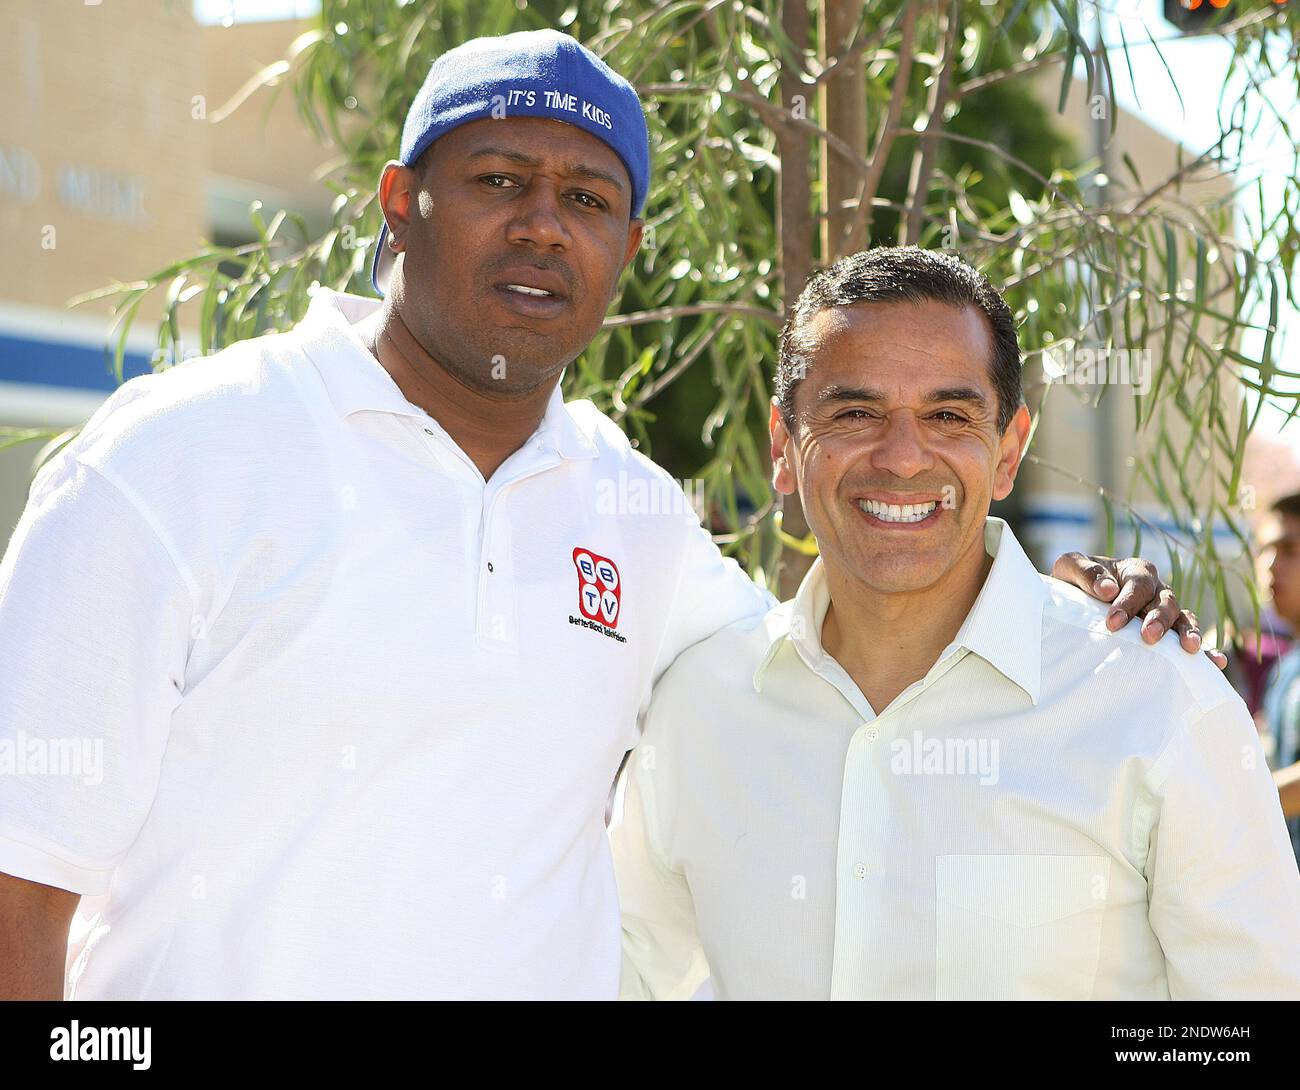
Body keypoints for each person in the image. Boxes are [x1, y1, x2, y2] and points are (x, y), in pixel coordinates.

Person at [0, 33, 1205, 1001]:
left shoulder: (631, 508)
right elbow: (22, 886)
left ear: (626, 246)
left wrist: (1060, 611)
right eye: (497, 181)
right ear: (399, 201)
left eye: (585, 197)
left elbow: (841, 646)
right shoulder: (178, 458)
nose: (541, 223)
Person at [610, 246, 1300, 1000]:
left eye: (947, 415)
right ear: (783, 446)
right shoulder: (699, 708)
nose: (904, 457)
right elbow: (635, 979)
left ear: (1008, 450)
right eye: (854, 412)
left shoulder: (1157, 700)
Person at [1259, 494, 1300, 853]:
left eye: (1289, 550)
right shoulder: (1285, 669)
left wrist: (1237, 805)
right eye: (1266, 550)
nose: (1271, 565)